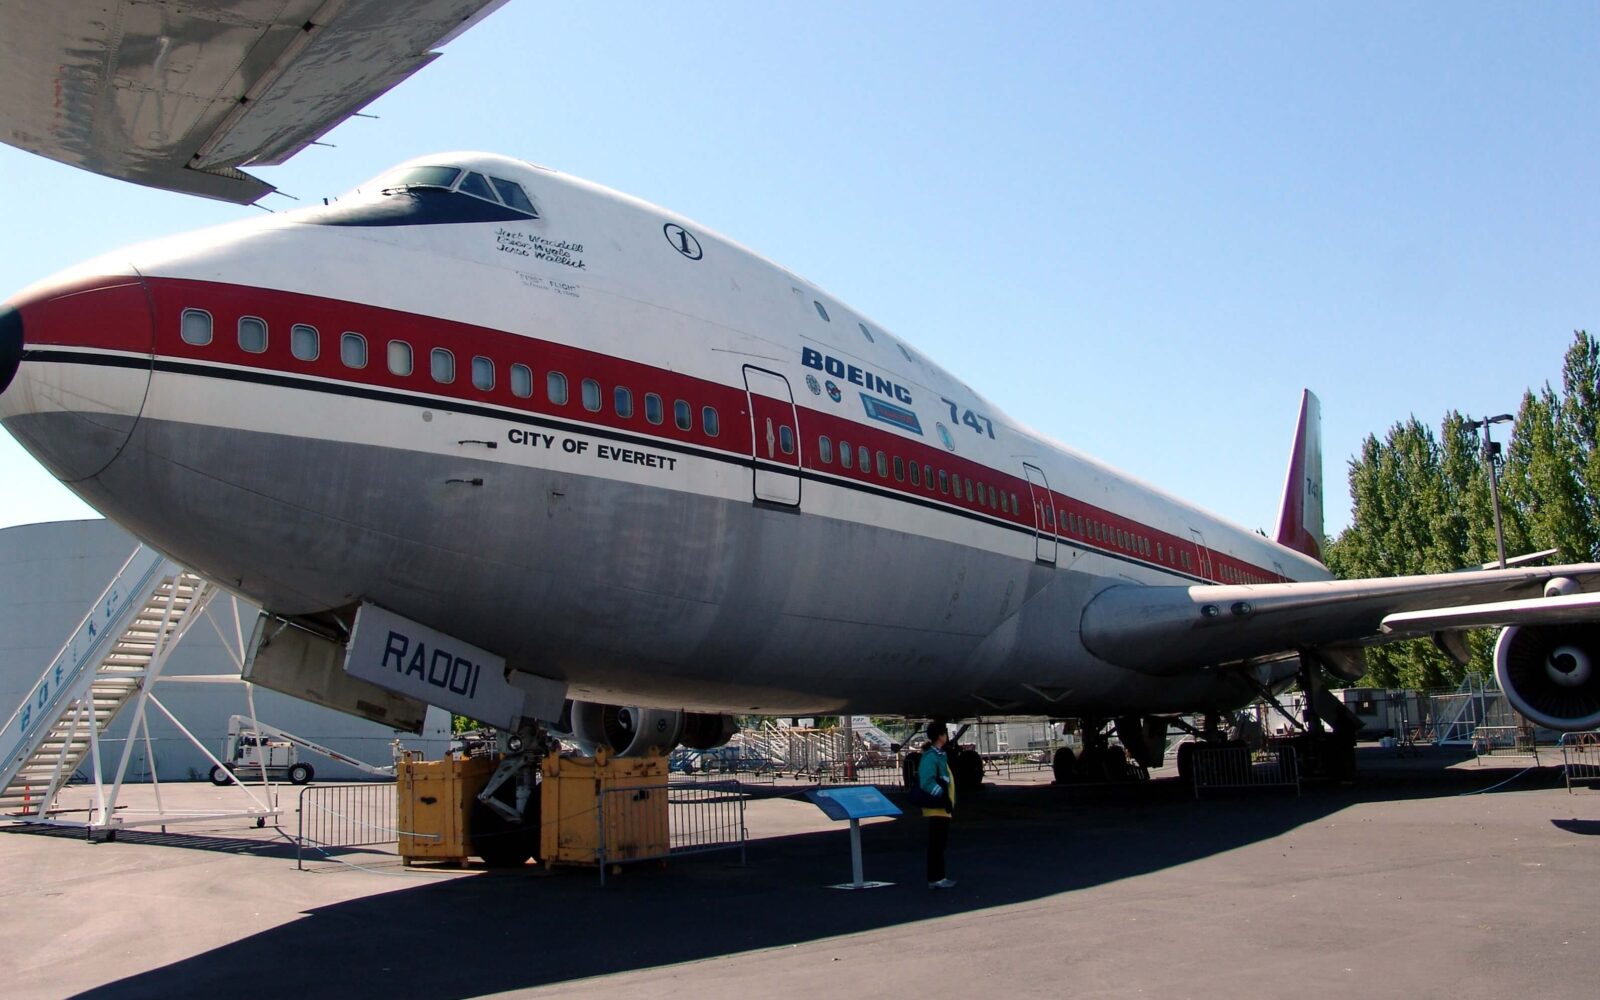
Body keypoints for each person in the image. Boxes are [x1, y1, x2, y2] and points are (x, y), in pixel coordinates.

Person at [919, 720, 956, 889]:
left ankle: (939, 877)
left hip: (943, 809)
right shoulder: (931, 756)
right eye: (945, 733)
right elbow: (926, 782)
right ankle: (935, 878)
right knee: (936, 844)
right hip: (937, 808)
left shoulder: (940, 754)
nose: (947, 736)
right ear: (940, 736)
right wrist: (943, 798)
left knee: (940, 843)